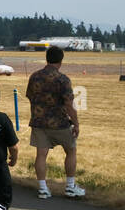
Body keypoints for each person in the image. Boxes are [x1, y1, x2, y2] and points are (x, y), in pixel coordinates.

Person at [25, 45, 83, 199]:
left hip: (38, 122)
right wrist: (76, 123)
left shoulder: (35, 76)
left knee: (41, 154)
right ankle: (70, 186)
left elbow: (30, 96)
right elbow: (69, 104)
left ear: (47, 58)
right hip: (60, 123)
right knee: (71, 150)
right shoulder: (62, 79)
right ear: (61, 60)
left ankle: (43, 188)